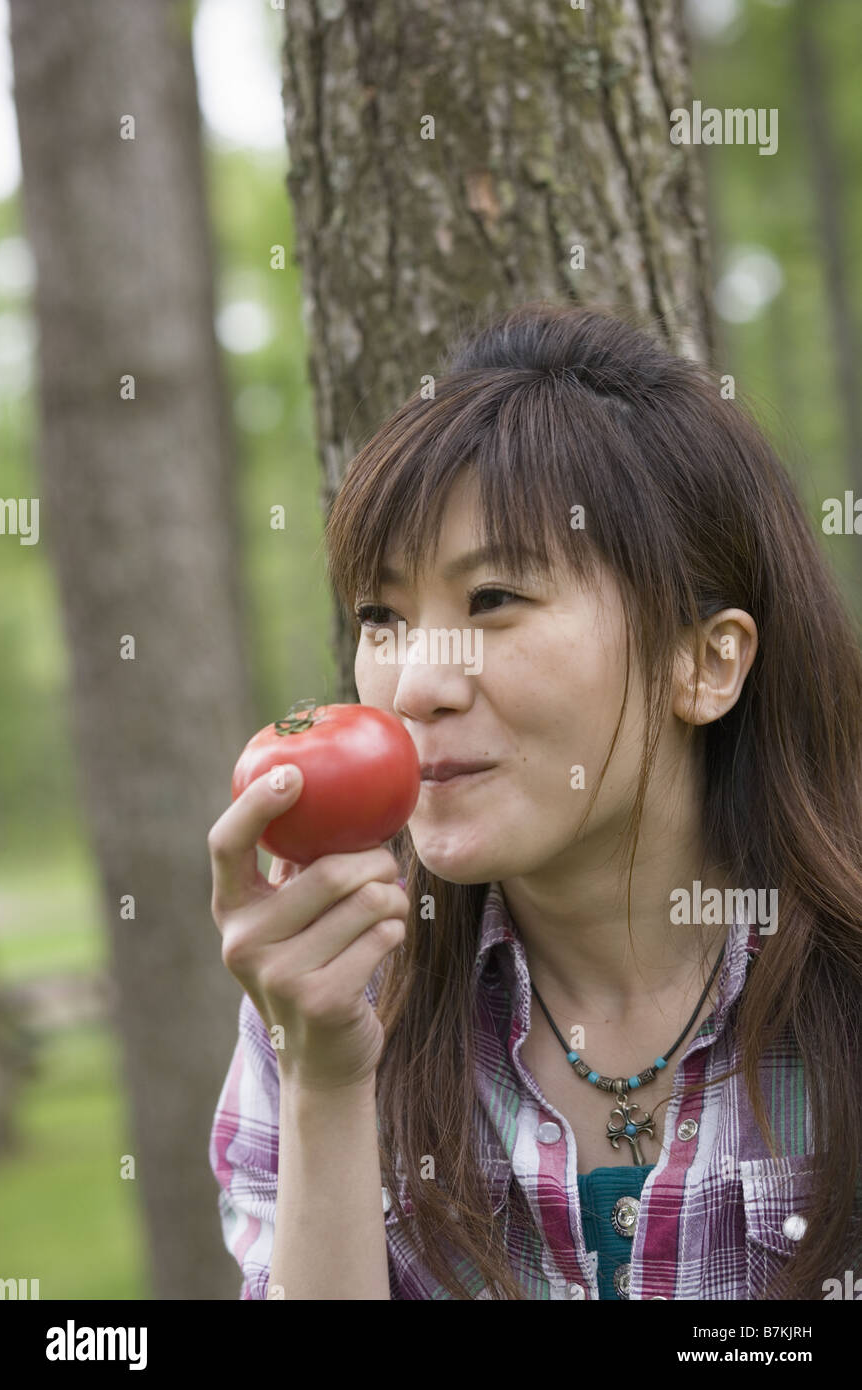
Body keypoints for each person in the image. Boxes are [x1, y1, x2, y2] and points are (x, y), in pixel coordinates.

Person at [208, 300, 862, 1300]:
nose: (414, 681)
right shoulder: (327, 993)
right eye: (380, 615)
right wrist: (325, 1085)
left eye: (493, 601)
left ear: (705, 662)